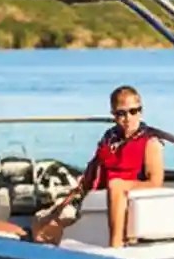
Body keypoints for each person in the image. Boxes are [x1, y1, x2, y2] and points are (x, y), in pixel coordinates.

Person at [31, 85, 165, 247]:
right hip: (92, 195)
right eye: (121, 113)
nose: (128, 118)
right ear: (113, 115)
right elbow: (95, 169)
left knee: (115, 185)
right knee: (39, 227)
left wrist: (120, 186)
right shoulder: (110, 138)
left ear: (140, 112)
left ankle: (116, 245)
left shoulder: (150, 142)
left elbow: (156, 182)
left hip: (120, 194)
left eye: (133, 111)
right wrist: (75, 194)